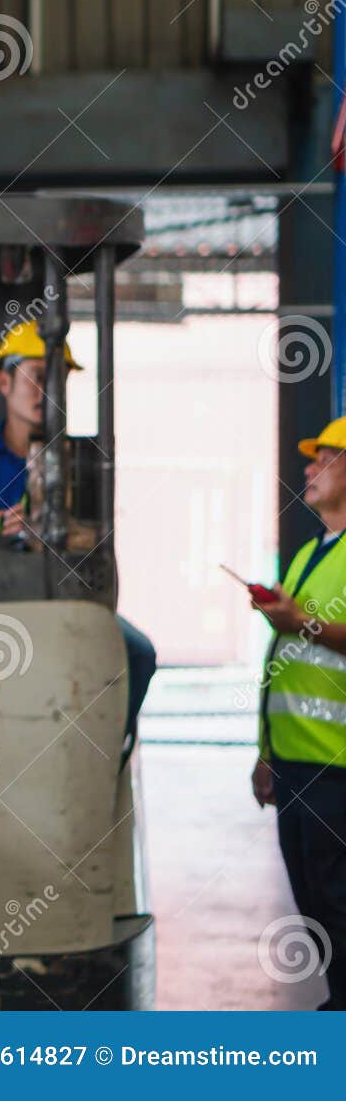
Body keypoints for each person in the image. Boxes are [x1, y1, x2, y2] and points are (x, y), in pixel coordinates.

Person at [0, 322, 157, 760]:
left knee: (139, 653)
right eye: (38, 378)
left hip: (58, 599)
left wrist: (55, 535)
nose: (49, 391)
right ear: (4, 382)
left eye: (58, 381)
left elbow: (98, 546)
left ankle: (111, 757)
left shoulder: (82, 464)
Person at [250, 417, 346, 1010]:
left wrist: (299, 621)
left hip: (337, 767)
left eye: (324, 458)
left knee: (339, 902)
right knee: (314, 904)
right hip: (295, 763)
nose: (307, 469)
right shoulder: (313, 551)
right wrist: (267, 754)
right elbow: (285, 659)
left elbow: (306, 635)